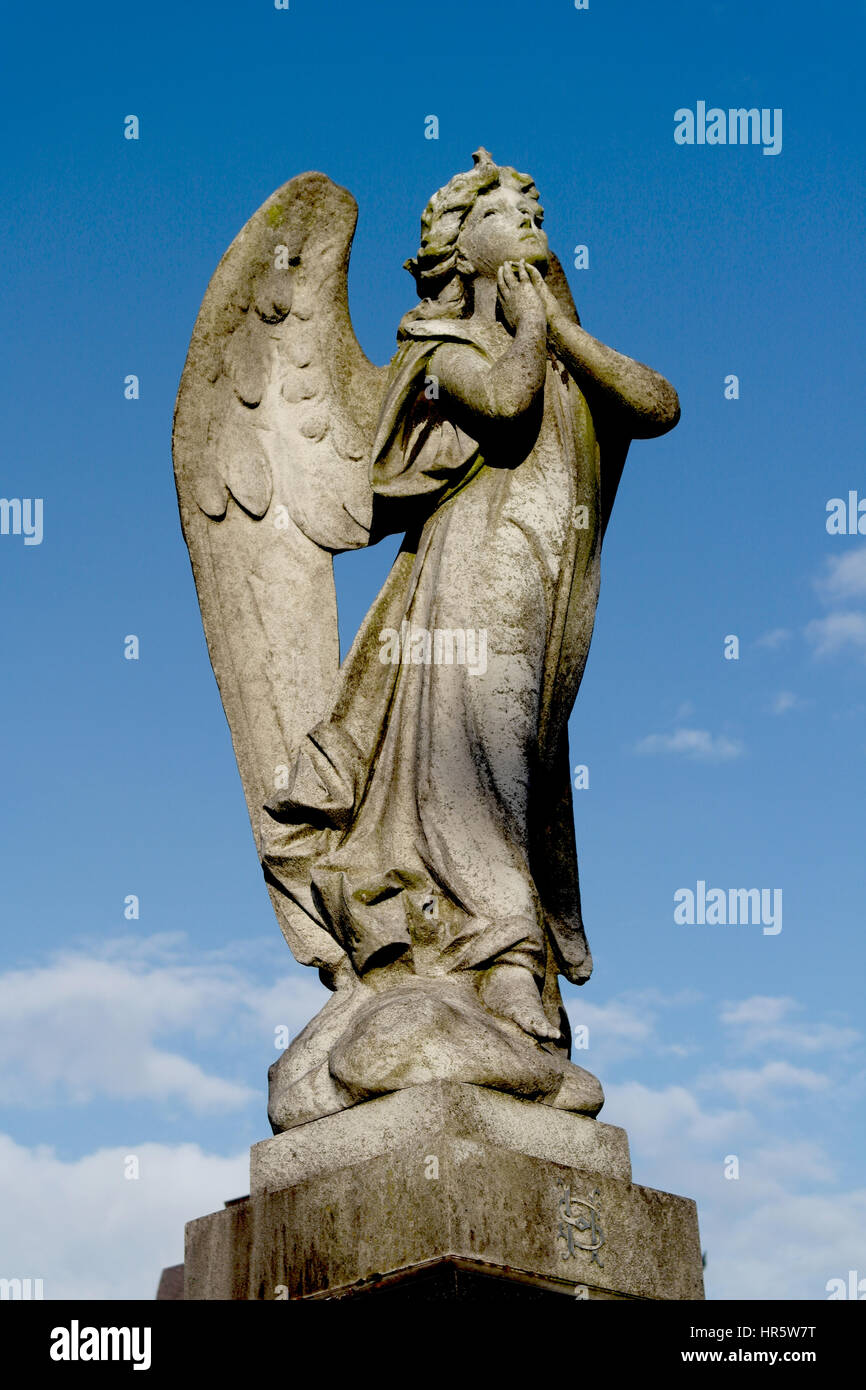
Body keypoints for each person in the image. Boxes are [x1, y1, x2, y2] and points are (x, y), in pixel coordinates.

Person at [262, 149, 679, 1044]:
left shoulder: (565, 353)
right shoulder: (439, 348)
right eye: (506, 212)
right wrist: (529, 329)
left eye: (536, 211)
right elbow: (504, 400)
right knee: (476, 754)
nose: (531, 221)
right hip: (468, 577)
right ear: (460, 247)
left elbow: (658, 403)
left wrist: (557, 329)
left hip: (546, 584)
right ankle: (508, 958)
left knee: (515, 770)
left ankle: (494, 958)